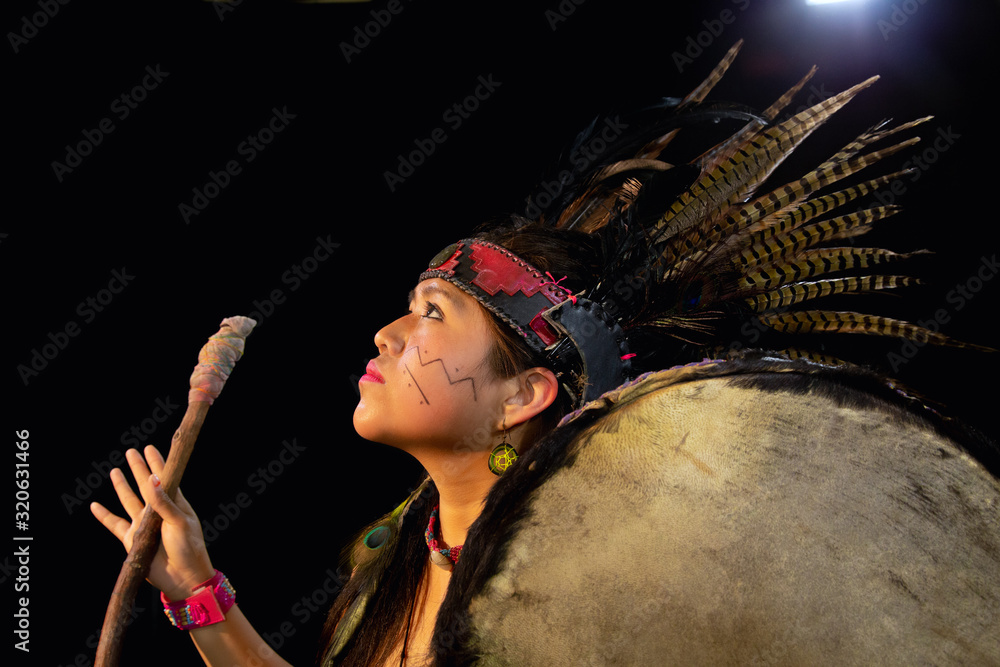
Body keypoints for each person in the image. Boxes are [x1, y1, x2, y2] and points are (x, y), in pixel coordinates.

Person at [91, 45, 1000, 666]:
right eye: (405, 308)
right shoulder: (403, 554)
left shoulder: (610, 585)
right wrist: (199, 590)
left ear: (524, 391)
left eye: (433, 313)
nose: (386, 333)